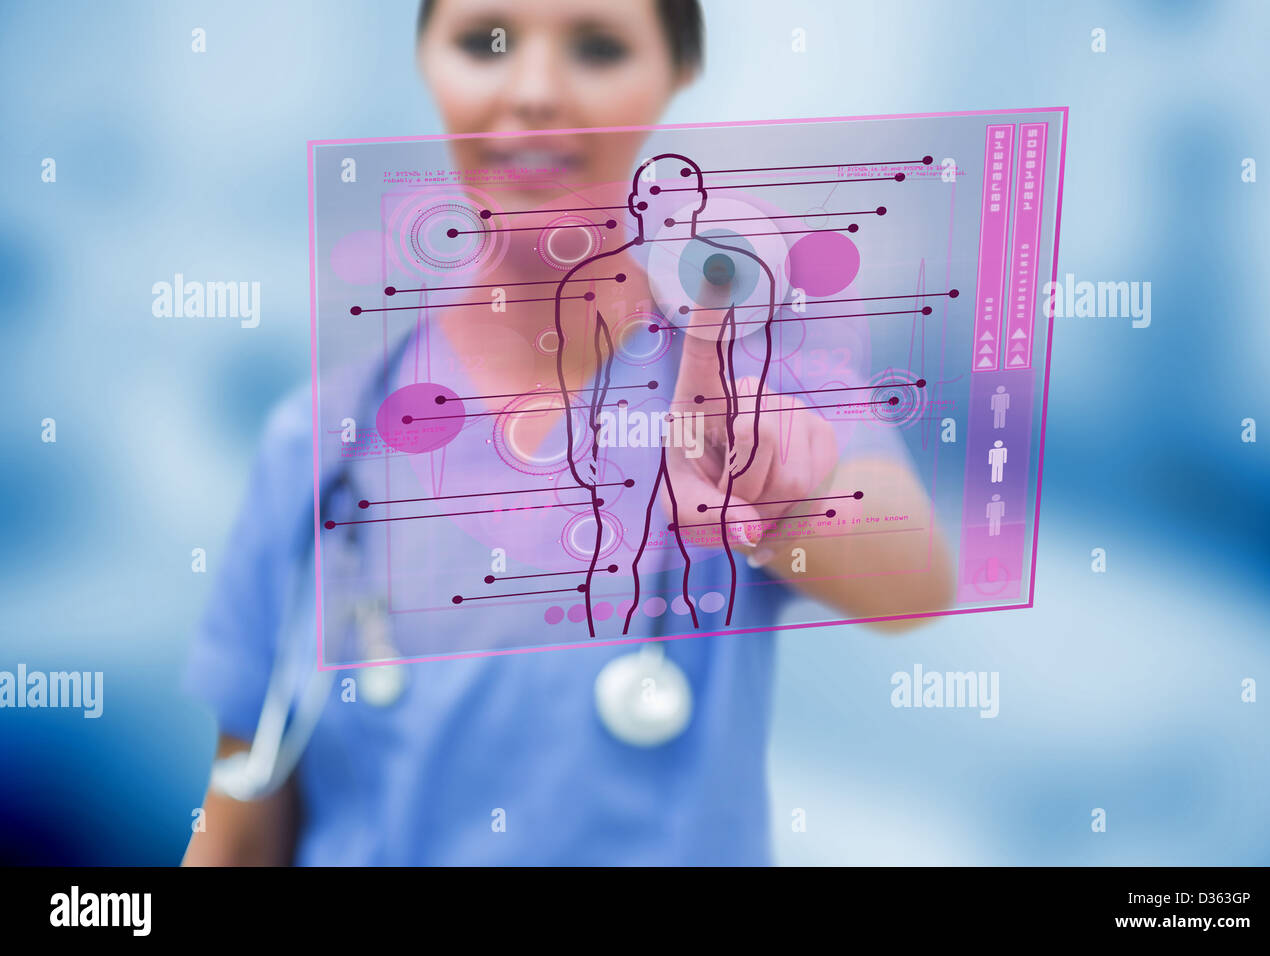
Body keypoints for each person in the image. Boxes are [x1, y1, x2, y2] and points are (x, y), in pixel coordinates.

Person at [182, 0, 954, 867]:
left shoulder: (758, 383)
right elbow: (242, 815)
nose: (538, 91)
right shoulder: (320, 441)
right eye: (485, 43)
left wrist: (783, 496)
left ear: (676, 72)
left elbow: (913, 581)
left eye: (597, 45)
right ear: (427, 60)